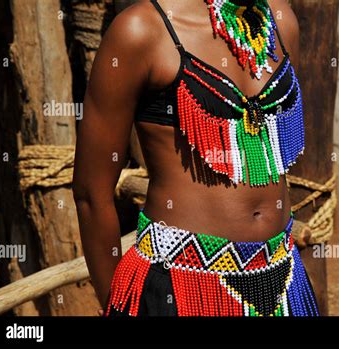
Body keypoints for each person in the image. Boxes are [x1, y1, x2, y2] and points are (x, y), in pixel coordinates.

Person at [73, 0, 319, 317]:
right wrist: (118, 304)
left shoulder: (280, 21)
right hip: (179, 286)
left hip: (283, 279)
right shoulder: (142, 31)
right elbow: (91, 194)